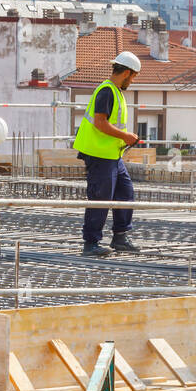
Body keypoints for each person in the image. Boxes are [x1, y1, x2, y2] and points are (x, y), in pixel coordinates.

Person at [73, 50, 141, 256]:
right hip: (99, 154)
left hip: (112, 155)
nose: (133, 81)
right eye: (134, 77)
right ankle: (91, 243)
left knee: (125, 193)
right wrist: (126, 136)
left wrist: (123, 138)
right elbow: (100, 123)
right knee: (100, 198)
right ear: (127, 72)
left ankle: (120, 236)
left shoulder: (115, 91)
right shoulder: (107, 91)